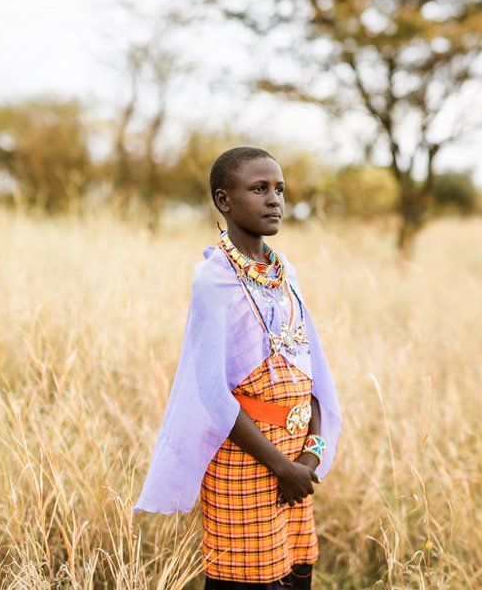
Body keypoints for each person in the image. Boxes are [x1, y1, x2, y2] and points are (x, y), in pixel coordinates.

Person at [132, 146, 344, 589]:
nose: (275, 200)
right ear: (224, 200)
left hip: (296, 458)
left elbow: (311, 369)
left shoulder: (285, 273)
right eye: (260, 188)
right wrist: (280, 467)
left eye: (280, 189)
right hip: (246, 458)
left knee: (296, 572)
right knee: (245, 579)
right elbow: (211, 392)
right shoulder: (214, 279)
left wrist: (310, 453)